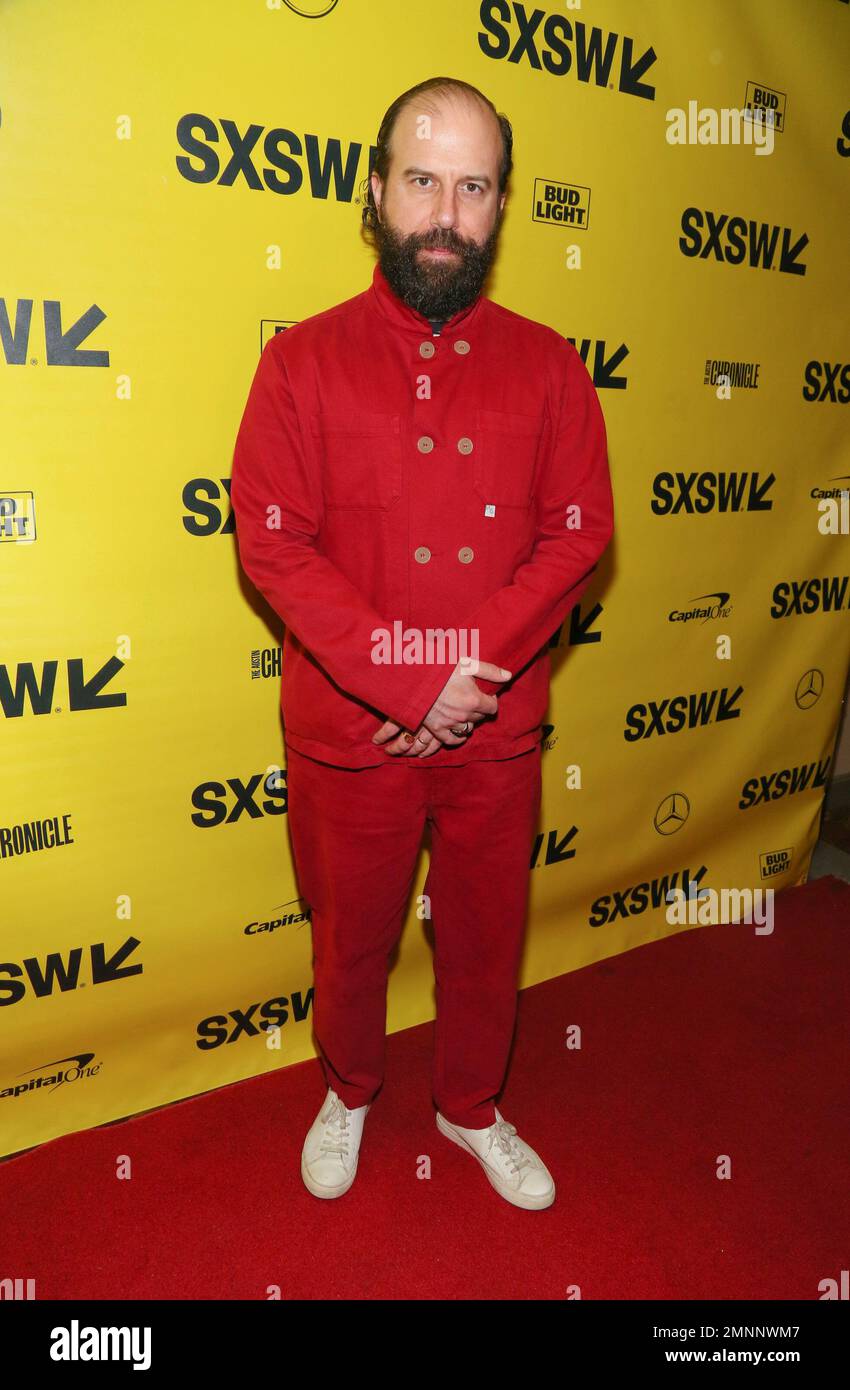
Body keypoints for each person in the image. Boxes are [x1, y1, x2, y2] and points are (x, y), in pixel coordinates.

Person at [230, 76, 614, 1211]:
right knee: (348, 945)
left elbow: (578, 532)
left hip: (494, 737)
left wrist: (459, 674)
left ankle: (470, 1107)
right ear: (376, 194)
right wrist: (407, 676)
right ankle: (347, 1089)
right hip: (350, 737)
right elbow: (274, 542)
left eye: (475, 185)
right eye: (423, 180)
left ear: (501, 206)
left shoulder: (550, 366)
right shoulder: (299, 363)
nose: (446, 210)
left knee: (486, 944)